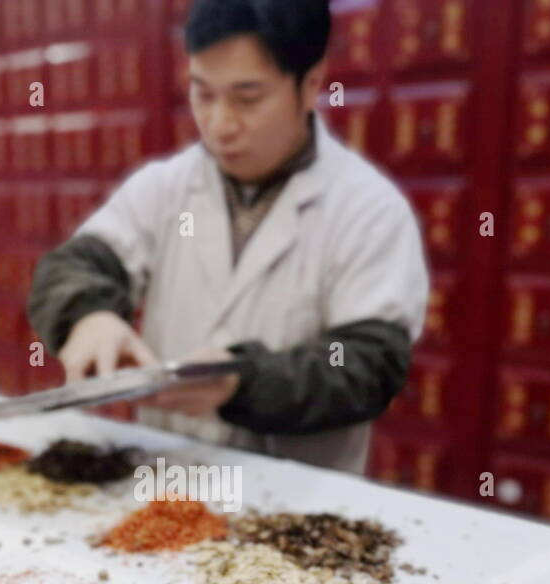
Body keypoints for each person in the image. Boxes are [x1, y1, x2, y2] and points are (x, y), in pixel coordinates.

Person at [27, 0, 428, 474]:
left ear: (311, 86)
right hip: (164, 489)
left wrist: (244, 382)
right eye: (203, 94)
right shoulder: (165, 188)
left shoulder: (367, 208)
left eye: (247, 98)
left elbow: (365, 368)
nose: (219, 125)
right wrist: (87, 314)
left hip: (295, 506)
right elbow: (73, 266)